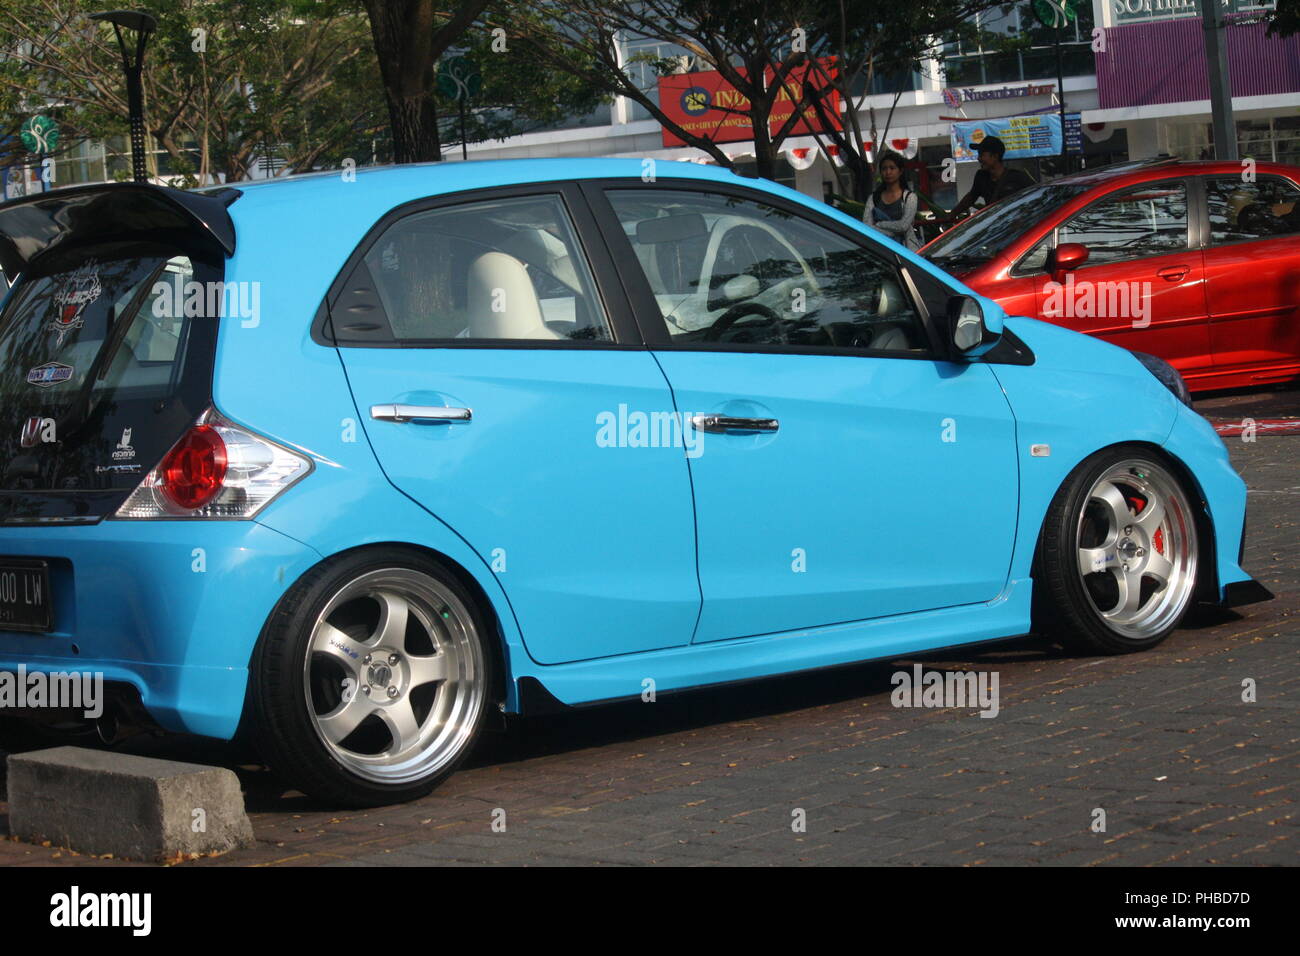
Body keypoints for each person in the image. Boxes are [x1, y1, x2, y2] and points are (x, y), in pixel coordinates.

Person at [949, 136, 1035, 218]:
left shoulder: (1018, 177)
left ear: (995, 156)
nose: (979, 158)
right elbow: (971, 197)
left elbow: (1037, 196)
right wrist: (952, 214)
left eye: (982, 154)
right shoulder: (981, 176)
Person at [862, 151, 920, 250]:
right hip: (881, 251)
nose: (888, 172)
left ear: (900, 171)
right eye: (884, 169)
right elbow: (866, 226)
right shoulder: (873, 198)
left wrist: (880, 224)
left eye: (892, 168)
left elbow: (903, 226)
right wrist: (891, 232)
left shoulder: (910, 197)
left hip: (906, 251)